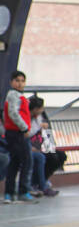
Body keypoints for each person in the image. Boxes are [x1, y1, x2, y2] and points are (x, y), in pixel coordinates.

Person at [3, 70, 40, 203]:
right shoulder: (14, 95)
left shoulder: (17, 96)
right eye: (17, 81)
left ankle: (9, 193)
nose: (20, 83)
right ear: (11, 82)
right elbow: (13, 113)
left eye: (22, 81)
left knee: (14, 162)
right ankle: (23, 192)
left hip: (13, 132)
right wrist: (24, 127)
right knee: (27, 160)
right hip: (17, 133)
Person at [24, 96, 64, 197]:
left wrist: (49, 146)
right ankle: (42, 186)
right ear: (35, 109)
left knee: (60, 156)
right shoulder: (26, 119)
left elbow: (48, 140)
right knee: (41, 157)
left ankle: (41, 181)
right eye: (40, 108)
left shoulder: (41, 118)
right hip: (28, 148)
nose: (42, 110)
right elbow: (23, 136)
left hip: (38, 148)